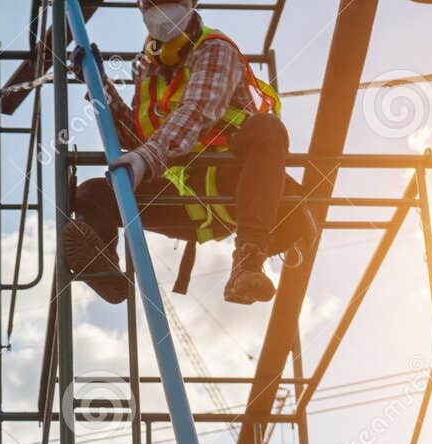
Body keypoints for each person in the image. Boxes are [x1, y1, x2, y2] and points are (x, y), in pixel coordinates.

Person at [64, 0, 316, 305]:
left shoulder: (216, 49)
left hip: (237, 186)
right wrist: (98, 85)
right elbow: (137, 136)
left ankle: (248, 259)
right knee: (92, 194)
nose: (161, 6)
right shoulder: (147, 68)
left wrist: (146, 159)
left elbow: (198, 111)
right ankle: (106, 274)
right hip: (182, 195)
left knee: (267, 128)